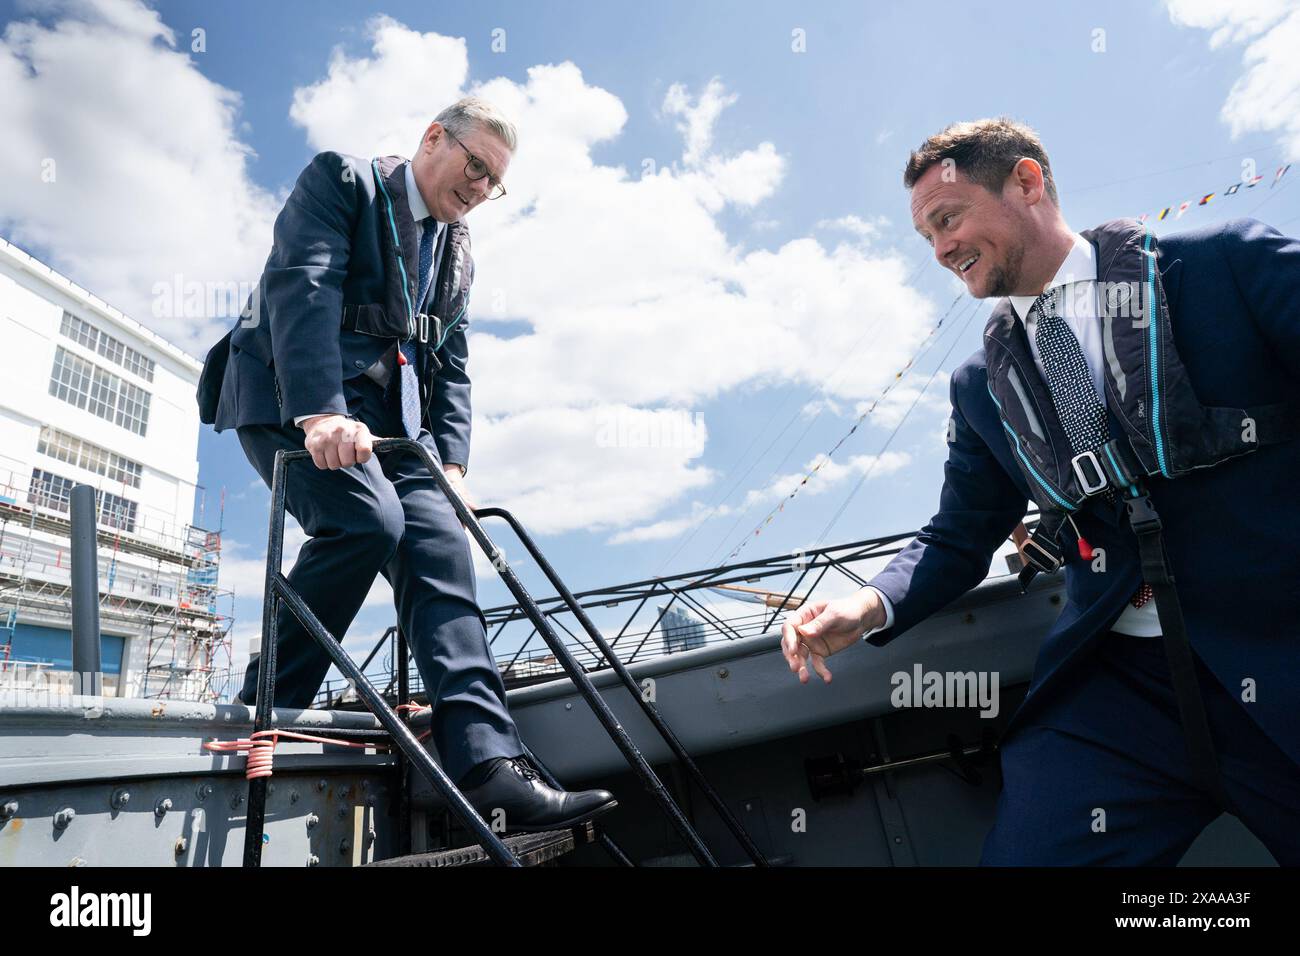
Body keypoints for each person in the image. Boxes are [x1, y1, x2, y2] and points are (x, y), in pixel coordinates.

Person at [780, 117, 1300, 865]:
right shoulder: (976, 388)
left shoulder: (1224, 266)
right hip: (1120, 693)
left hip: (1276, 644)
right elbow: (960, 532)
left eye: (948, 219)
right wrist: (867, 603)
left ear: (1026, 182)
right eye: (925, 236)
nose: (940, 251)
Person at [196, 96, 615, 832]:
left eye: (495, 182)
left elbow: (451, 366)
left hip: (388, 426)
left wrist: (451, 466)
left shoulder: (457, 249)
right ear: (432, 139)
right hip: (286, 393)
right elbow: (305, 287)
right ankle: (270, 703)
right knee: (366, 519)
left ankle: (488, 765)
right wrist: (320, 408)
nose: (480, 188)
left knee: (439, 539)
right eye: (475, 165)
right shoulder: (344, 182)